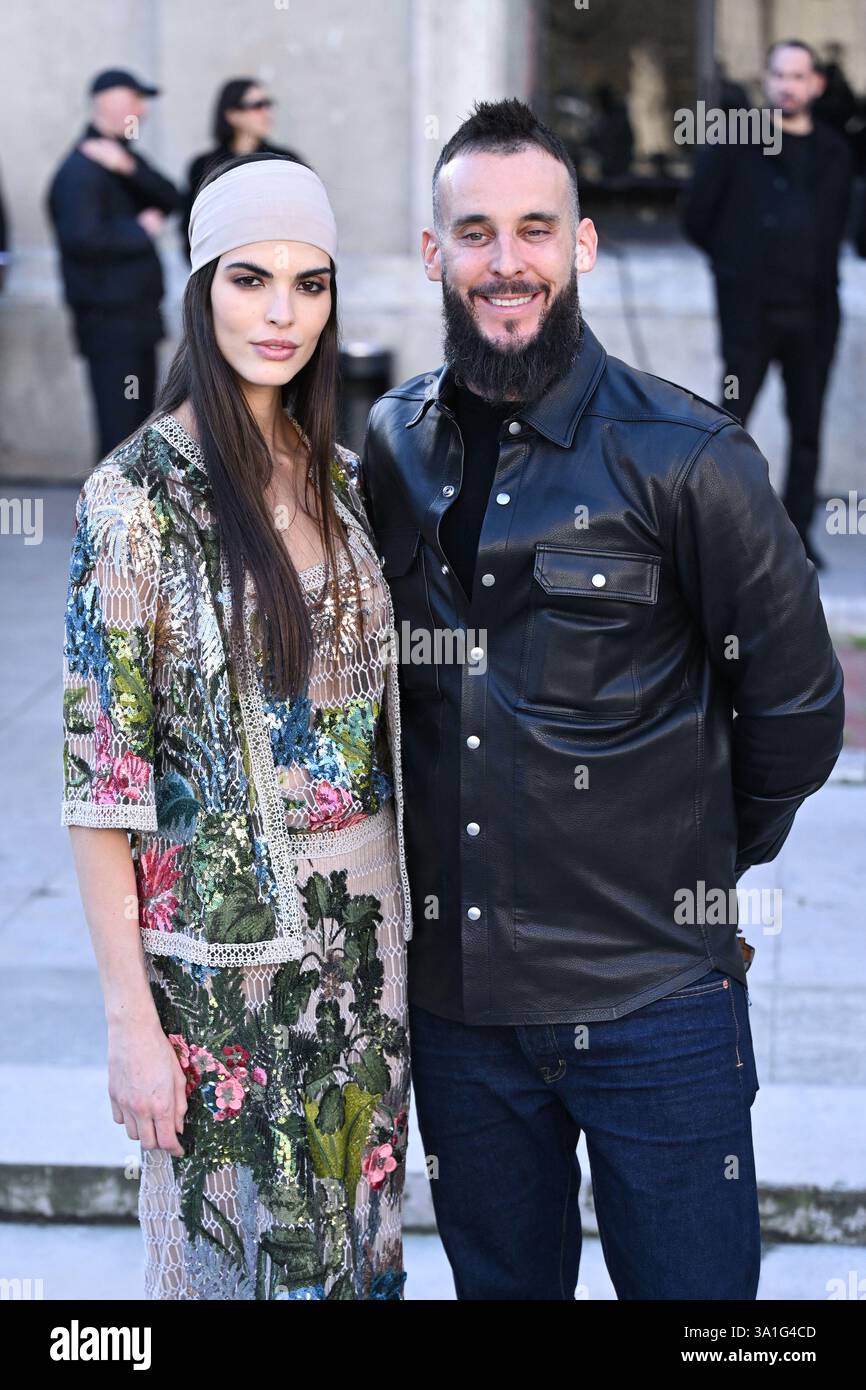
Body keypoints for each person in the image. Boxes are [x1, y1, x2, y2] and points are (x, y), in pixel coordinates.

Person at [361, 98, 845, 1300]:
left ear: (581, 246)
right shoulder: (392, 442)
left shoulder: (687, 455)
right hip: (461, 1015)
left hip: (653, 1005)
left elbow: (796, 709)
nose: (504, 261)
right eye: (473, 232)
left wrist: (678, 856)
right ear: (435, 255)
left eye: (535, 228)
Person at [60, 153, 413, 1300]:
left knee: (356, 1265)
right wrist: (131, 1027)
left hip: (363, 958)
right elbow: (100, 783)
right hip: (218, 982)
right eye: (250, 279)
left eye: (309, 285)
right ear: (201, 285)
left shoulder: (347, 480)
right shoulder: (136, 500)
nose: (281, 313)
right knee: (239, 1274)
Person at [681, 39, 854, 568]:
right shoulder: (736, 142)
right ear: (768, 79)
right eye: (779, 75)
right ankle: (716, 531)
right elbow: (695, 214)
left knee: (808, 427)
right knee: (730, 421)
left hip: (814, 311)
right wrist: (733, 268)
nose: (788, 86)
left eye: (799, 77)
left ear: (815, 85)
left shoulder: (834, 151)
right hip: (750, 312)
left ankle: (798, 539)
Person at [46, 68, 182, 460]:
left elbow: (172, 197)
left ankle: (133, 517)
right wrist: (139, 230)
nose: (143, 110)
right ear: (108, 104)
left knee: (137, 426)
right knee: (120, 429)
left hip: (136, 321)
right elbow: (81, 239)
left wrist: (127, 167)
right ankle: (109, 519)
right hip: (110, 326)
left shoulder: (120, 158)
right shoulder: (80, 170)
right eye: (136, 100)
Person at [181, 79, 304, 261]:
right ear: (232, 115)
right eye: (257, 105)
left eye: (268, 104)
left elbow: (300, 217)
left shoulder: (284, 161)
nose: (266, 112)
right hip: (221, 268)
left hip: (277, 264)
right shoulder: (204, 164)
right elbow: (190, 226)